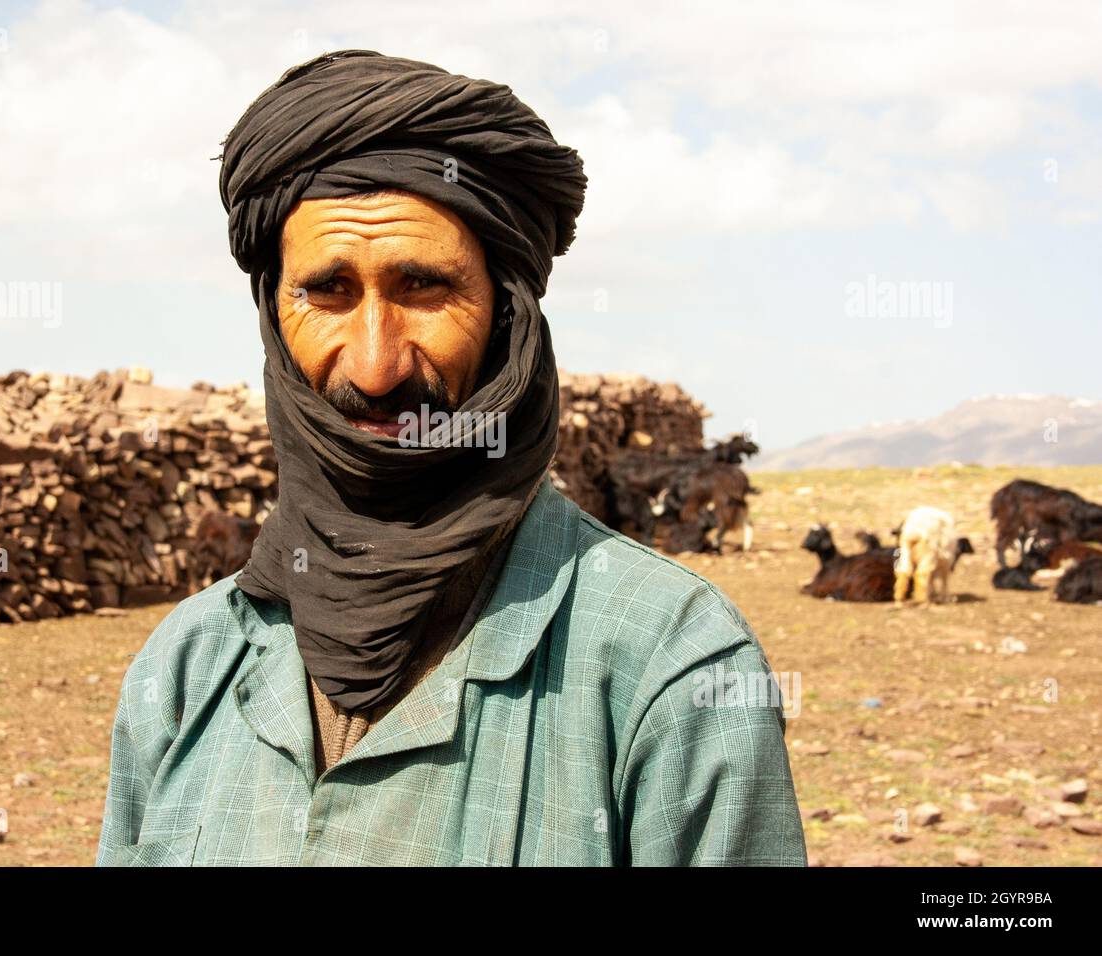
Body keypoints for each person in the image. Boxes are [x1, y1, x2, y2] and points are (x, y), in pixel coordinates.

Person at [96, 49, 805, 866]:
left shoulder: (669, 667)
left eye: (424, 289)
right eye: (326, 291)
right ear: (272, 313)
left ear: (509, 316)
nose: (374, 365)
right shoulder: (187, 671)